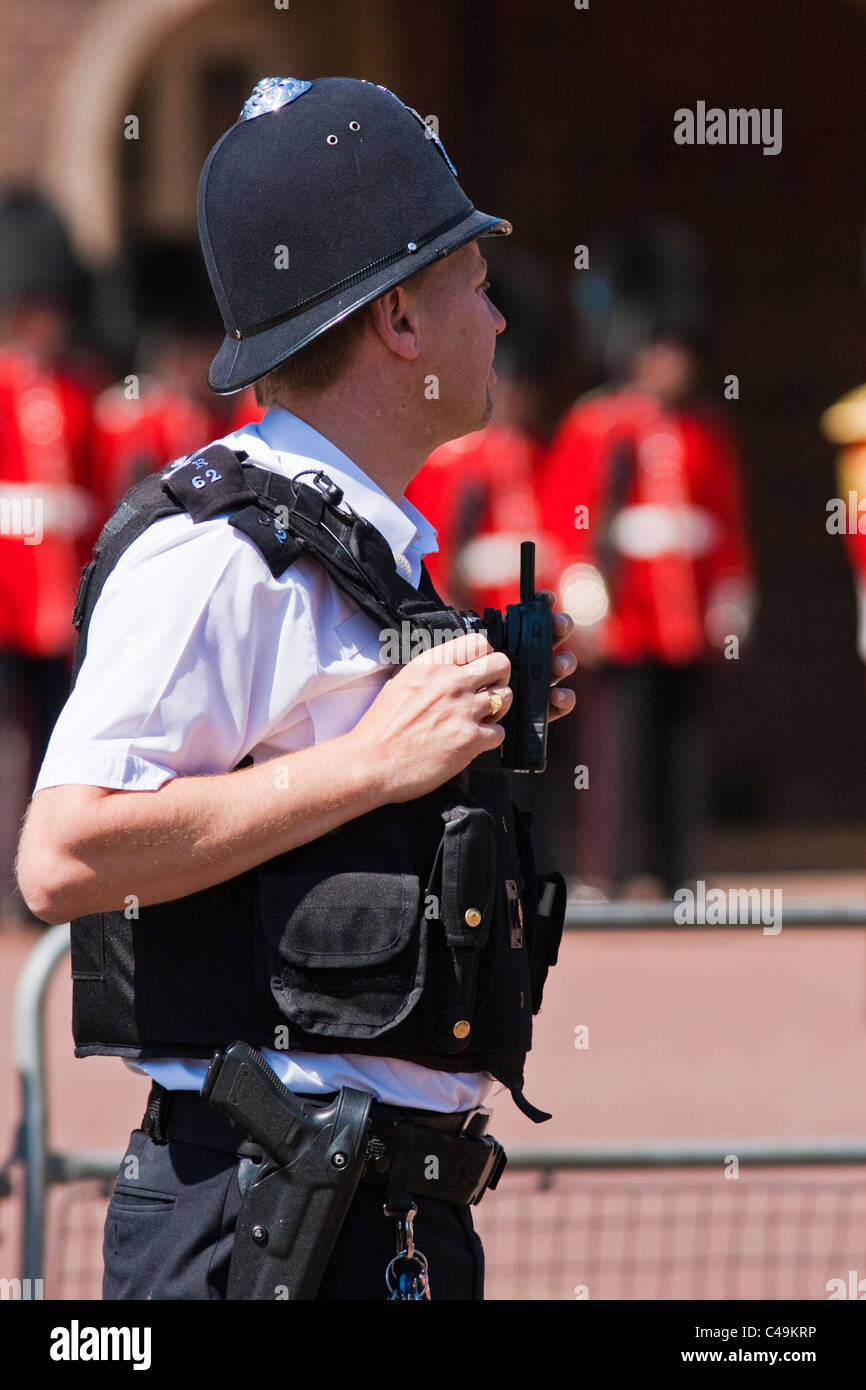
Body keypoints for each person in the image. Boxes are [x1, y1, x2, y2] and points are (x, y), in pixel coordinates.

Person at [16, 76, 576, 1301]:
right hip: (264, 1217)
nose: (495, 317)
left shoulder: (368, 540)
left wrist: (475, 711)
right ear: (399, 325)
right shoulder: (215, 549)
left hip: (377, 1217)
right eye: (468, 281)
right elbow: (61, 857)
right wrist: (372, 764)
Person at [542, 227, 753, 895]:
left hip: (683, 620)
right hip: (625, 617)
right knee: (615, 757)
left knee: (682, 755)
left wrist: (730, 598)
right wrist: (585, 608)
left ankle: (680, 876)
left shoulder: (703, 429)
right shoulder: (595, 424)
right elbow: (566, 525)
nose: (672, 358)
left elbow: (723, 527)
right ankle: (608, 875)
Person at [0, 190, 95, 923]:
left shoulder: (72, 389)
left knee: (46, 748)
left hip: (50, 604)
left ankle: (29, 887)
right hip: (6, 596)